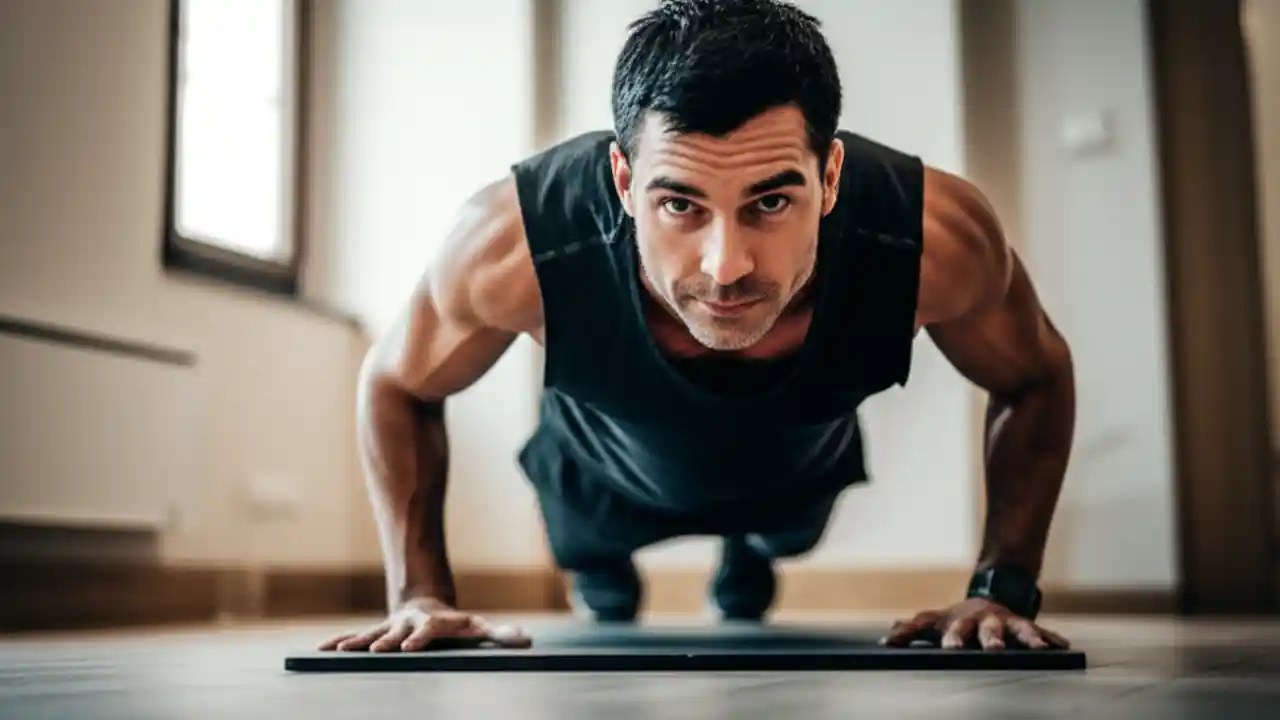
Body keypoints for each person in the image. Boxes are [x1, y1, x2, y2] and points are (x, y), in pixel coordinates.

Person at [319, 0, 1075, 655]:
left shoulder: (930, 238)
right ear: (624, 181)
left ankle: (746, 553)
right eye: (680, 204)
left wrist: (1001, 588)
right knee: (600, 580)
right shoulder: (516, 241)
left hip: (796, 477)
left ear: (832, 176)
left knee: (779, 541)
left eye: (770, 203)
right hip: (601, 481)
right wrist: (419, 594)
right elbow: (396, 384)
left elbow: (1034, 376)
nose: (725, 266)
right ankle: (612, 571)